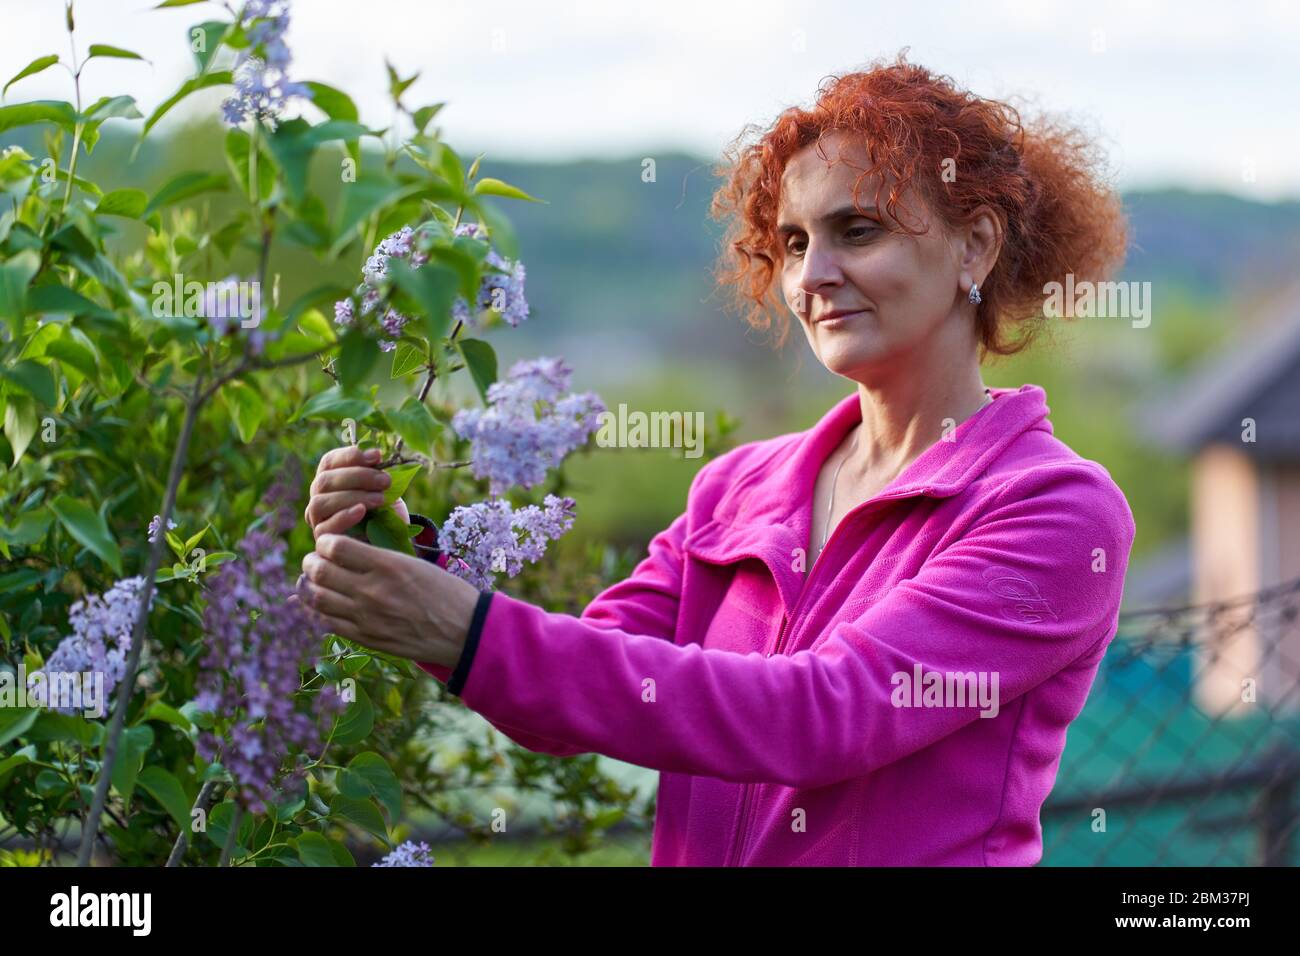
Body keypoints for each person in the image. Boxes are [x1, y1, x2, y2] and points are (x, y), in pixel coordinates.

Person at [298, 52, 1134, 866]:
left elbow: (820, 717)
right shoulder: (737, 489)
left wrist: (465, 626)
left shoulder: (1054, 511)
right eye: (796, 243)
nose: (816, 275)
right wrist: (415, 563)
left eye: (859, 230)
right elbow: (565, 703)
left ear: (975, 247)